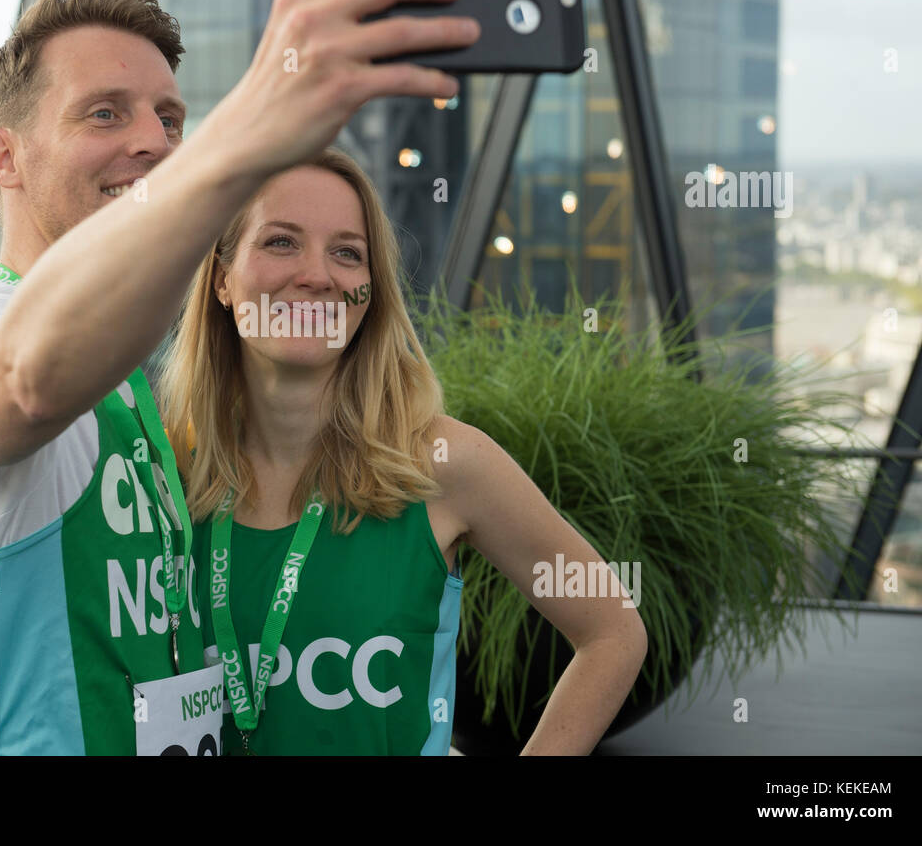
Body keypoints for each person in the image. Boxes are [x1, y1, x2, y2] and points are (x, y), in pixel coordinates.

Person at [0, 0, 481, 755]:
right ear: (3, 158)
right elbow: (19, 381)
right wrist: (246, 133)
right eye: (103, 113)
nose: (154, 142)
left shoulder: (138, 395)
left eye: (170, 117)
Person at [158, 147, 649, 755]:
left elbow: (612, 630)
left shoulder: (443, 462)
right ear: (223, 281)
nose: (317, 274)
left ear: (370, 295)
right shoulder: (163, 465)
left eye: (347, 252)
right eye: (281, 242)